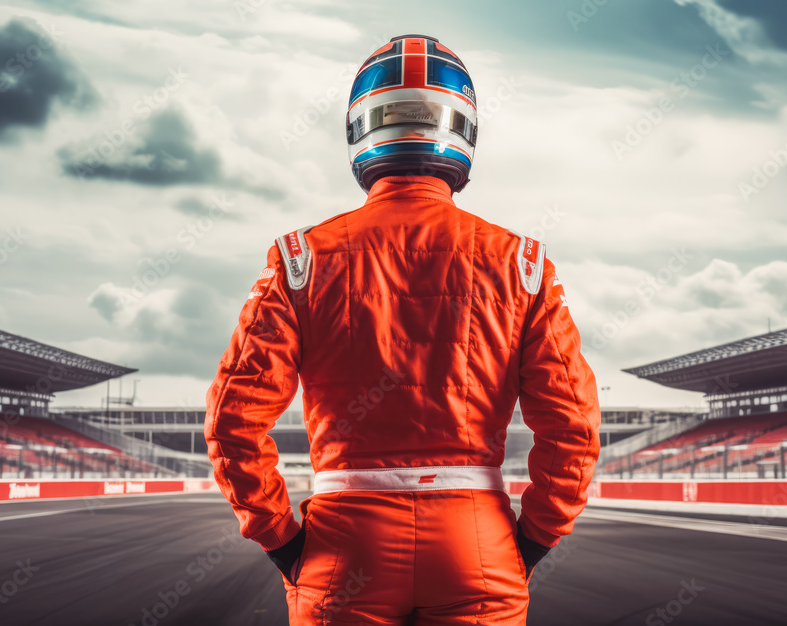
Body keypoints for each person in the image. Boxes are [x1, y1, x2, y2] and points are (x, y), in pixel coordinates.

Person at [205, 34, 600, 625]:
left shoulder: (300, 259)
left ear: (361, 133)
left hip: (343, 544)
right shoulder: (523, 264)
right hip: (477, 543)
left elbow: (231, 420)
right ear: (463, 133)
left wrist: (282, 541)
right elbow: (573, 424)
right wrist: (534, 540)